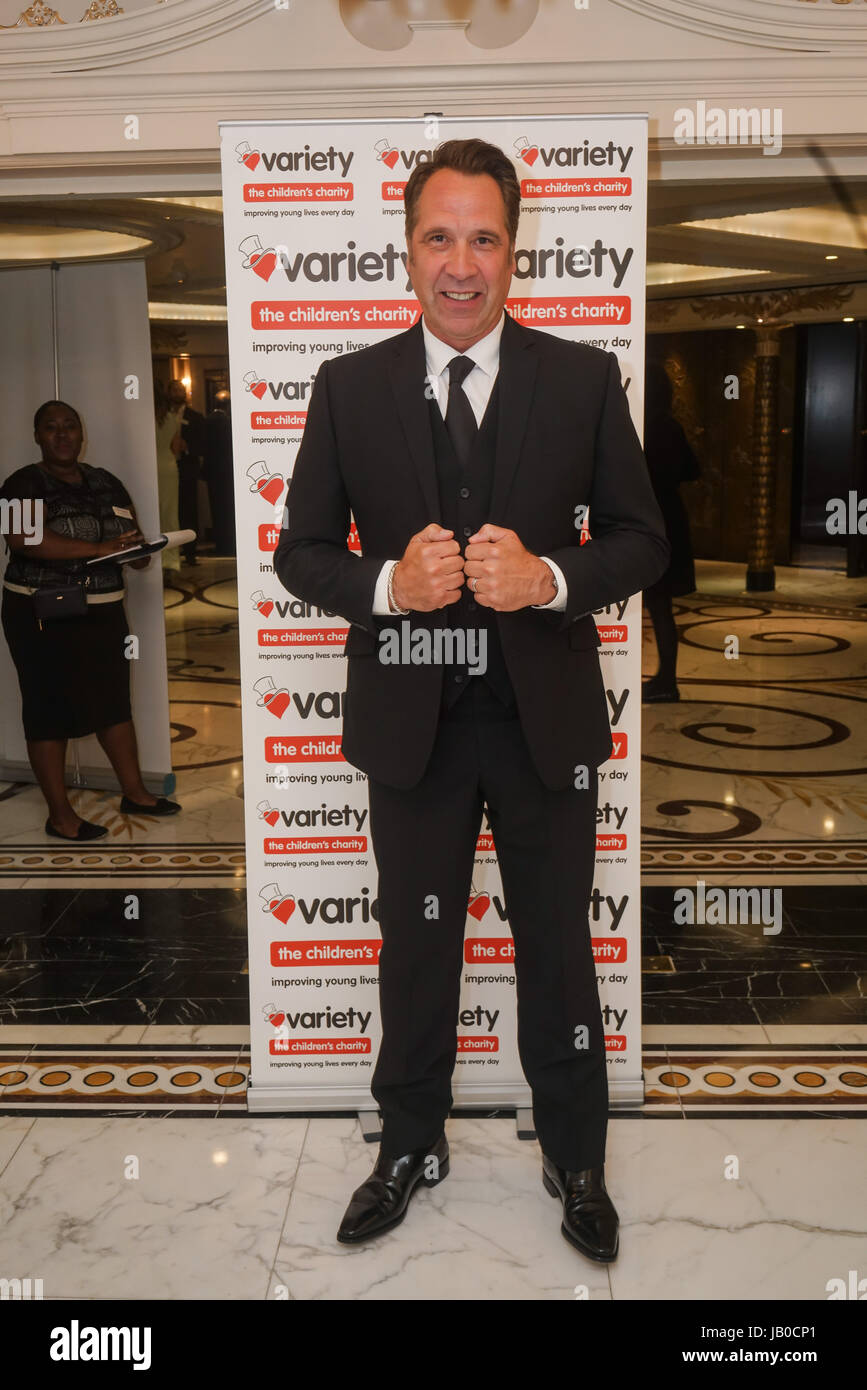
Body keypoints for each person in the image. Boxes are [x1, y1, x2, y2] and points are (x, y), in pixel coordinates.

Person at [274, 139, 668, 1260]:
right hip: (412, 731)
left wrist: (548, 576)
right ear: (406, 250)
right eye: (439, 237)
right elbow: (302, 553)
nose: (462, 263)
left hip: (546, 730)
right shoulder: (348, 387)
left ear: (514, 249)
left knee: (558, 947)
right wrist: (391, 585)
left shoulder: (585, 379)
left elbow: (644, 539)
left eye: (484, 238)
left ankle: (576, 1153)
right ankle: (409, 1141)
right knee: (414, 947)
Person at [0, 400, 181, 841]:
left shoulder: (107, 482)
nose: (62, 435)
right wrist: (101, 551)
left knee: (113, 701)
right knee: (47, 709)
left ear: (83, 434)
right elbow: (24, 540)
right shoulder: (19, 483)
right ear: (37, 436)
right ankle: (60, 816)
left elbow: (126, 536)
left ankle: (134, 792)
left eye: (69, 427)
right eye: (51, 428)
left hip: (104, 608)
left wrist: (137, 551)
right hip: (41, 610)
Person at [641, 361, 701, 703]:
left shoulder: (638, 425)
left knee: (657, 605)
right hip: (672, 518)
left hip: (647, 520)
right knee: (661, 607)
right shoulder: (671, 426)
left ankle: (666, 681)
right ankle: (666, 677)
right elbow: (694, 470)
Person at [165, 378, 206, 565]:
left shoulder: (195, 417)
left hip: (187, 469)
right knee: (169, 511)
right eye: (174, 389)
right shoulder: (161, 416)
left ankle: (190, 553)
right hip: (165, 469)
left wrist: (187, 447)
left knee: (189, 511)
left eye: (180, 389)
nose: (177, 392)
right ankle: (170, 553)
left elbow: (203, 445)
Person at [153, 379, 181, 579]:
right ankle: (171, 563)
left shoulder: (143, 418)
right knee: (170, 515)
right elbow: (176, 447)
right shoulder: (171, 417)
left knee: (152, 515)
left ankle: (155, 562)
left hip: (149, 468)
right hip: (169, 467)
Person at [204, 390, 237, 557]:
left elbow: (205, 448)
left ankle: (221, 544)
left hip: (213, 474)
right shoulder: (229, 421)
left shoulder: (208, 421)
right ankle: (229, 544)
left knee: (217, 510)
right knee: (229, 509)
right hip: (229, 473)